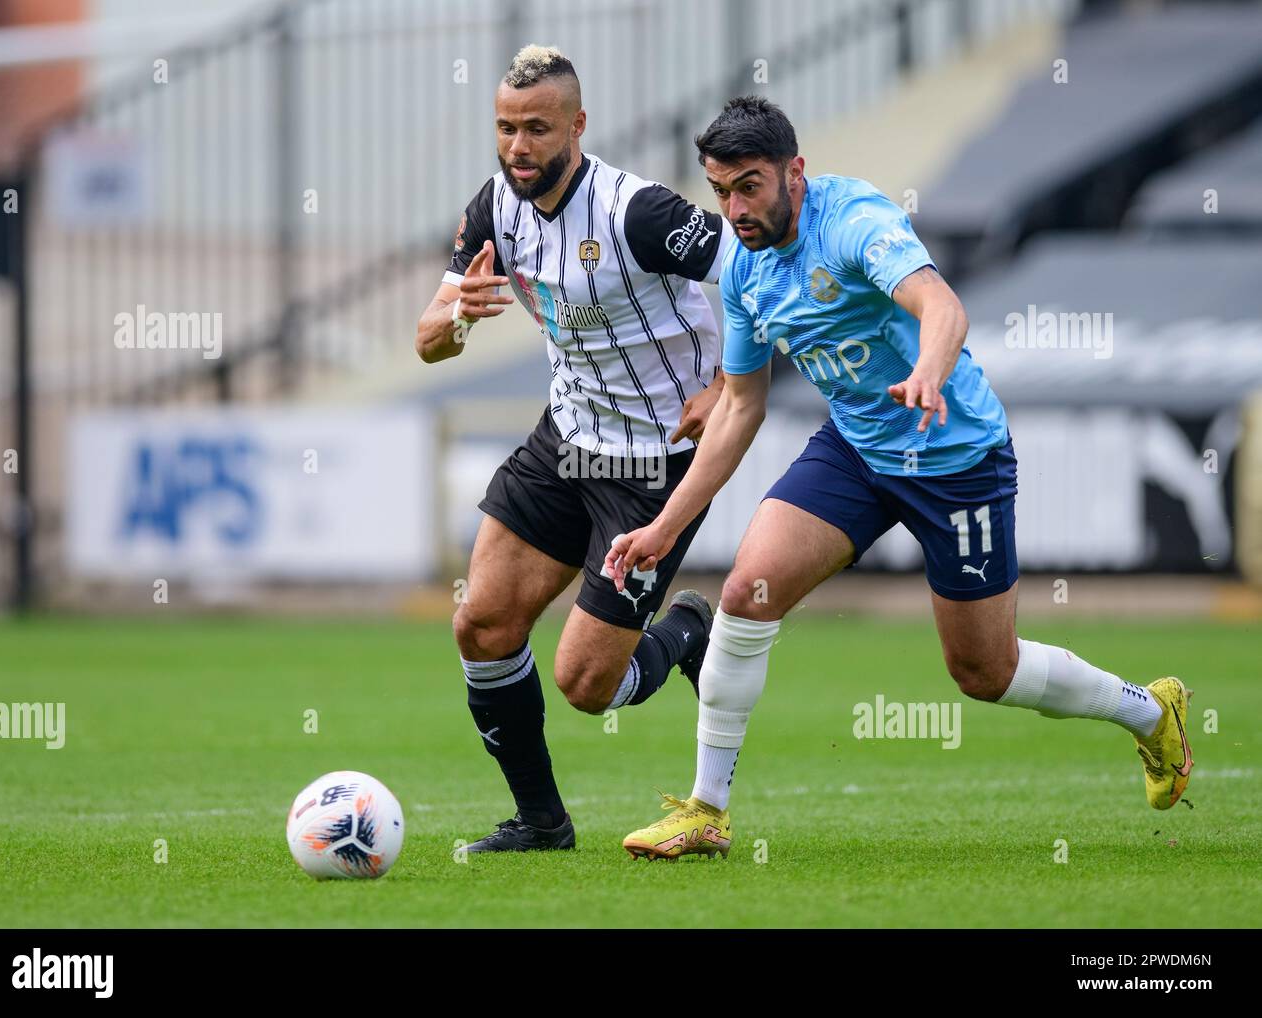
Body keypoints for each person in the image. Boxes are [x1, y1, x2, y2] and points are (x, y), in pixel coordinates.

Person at [606, 96, 1193, 860]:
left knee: (985, 671)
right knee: (750, 587)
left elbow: (942, 307)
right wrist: (665, 526)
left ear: (795, 172)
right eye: (720, 192)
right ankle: (706, 810)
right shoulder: (745, 271)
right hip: (858, 448)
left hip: (954, 456)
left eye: (749, 186)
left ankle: (1150, 714)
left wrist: (924, 372)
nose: (736, 208)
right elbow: (740, 407)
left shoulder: (853, 222)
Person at [415, 46, 735, 852]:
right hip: (566, 439)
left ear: (577, 126)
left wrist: (732, 388)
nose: (518, 147)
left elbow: (771, 277)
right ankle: (541, 822)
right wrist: (460, 318)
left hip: (653, 462)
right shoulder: (494, 206)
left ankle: (687, 631)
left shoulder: (641, 212)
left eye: (536, 129)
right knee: (481, 625)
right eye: (505, 128)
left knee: (588, 685)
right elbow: (428, 341)